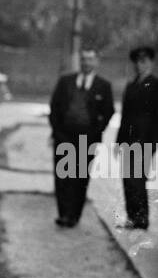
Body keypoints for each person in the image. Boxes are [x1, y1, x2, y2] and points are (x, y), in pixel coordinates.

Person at [49, 48, 114, 228]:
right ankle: (63, 214)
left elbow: (109, 111)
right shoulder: (65, 82)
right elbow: (54, 108)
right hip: (64, 138)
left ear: (96, 62)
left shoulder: (103, 85)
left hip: (87, 140)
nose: (86, 63)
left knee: (80, 178)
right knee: (62, 177)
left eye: (90, 59)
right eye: (84, 59)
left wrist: (96, 132)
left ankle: (74, 216)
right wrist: (57, 132)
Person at [116, 45, 158, 230]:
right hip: (128, 140)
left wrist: (153, 142)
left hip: (145, 140)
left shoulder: (155, 85)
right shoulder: (131, 86)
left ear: (151, 62)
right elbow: (125, 116)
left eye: (144, 61)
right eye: (137, 62)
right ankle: (132, 216)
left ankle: (142, 218)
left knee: (138, 179)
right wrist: (119, 141)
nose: (140, 65)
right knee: (127, 179)